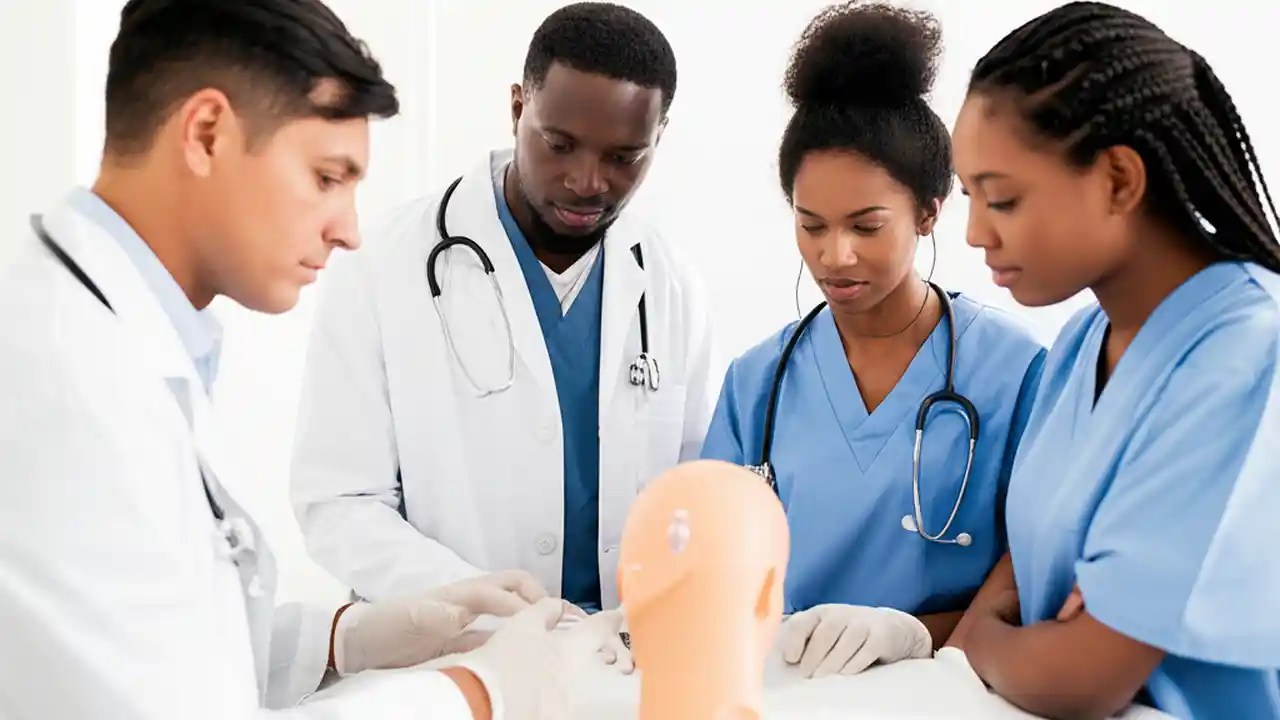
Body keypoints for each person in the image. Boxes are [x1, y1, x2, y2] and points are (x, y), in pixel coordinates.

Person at [0, 2, 612, 718]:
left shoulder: (114, 341)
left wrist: (343, 638)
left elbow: (172, 640)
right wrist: (477, 693)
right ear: (207, 134)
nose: (348, 230)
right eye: (327, 178)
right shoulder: (64, 382)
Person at [290, 2, 718, 623]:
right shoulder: (382, 265)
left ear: (659, 138)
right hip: (447, 645)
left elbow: (698, 492)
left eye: (624, 157)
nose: (587, 181)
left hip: (621, 652)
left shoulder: (671, 284)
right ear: (518, 108)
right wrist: (480, 601)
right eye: (560, 144)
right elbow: (339, 504)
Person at [947, 3, 1280, 718]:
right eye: (969, 196)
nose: (975, 233)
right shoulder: (1078, 344)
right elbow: (1025, 562)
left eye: (1001, 199)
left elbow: (1082, 680)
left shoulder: (1253, 354)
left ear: (1120, 180)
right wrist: (1033, 632)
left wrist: (981, 641)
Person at [698, 2, 1045, 679]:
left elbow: (1037, 568)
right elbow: (715, 565)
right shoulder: (757, 381)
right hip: (786, 687)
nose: (835, 255)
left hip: (954, 688)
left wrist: (915, 636)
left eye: (865, 226)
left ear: (928, 211)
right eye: (811, 225)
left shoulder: (1017, 372)